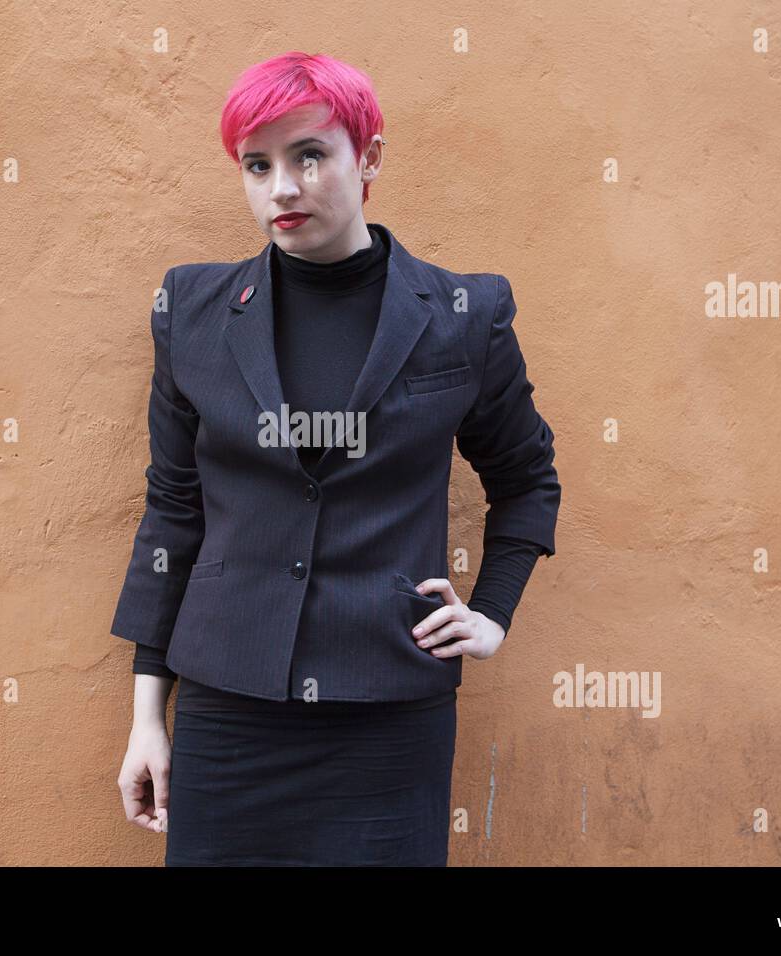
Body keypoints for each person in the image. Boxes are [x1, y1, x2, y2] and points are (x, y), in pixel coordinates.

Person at [113, 51, 561, 866]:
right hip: (228, 710)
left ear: (371, 158)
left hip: (387, 715)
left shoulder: (463, 316)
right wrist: (148, 716)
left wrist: (492, 615)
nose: (281, 187)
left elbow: (527, 479)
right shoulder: (195, 311)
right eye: (258, 165)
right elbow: (173, 510)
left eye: (308, 155)